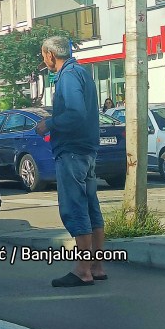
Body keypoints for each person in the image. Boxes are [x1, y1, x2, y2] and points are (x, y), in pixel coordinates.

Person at [34, 35, 106, 287]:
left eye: (43, 55)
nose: (44, 60)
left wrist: (48, 124)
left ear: (50, 55)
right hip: (86, 149)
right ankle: (96, 266)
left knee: (75, 208)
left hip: (72, 150)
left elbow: (75, 112)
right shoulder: (82, 72)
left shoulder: (68, 76)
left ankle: (83, 270)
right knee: (90, 208)